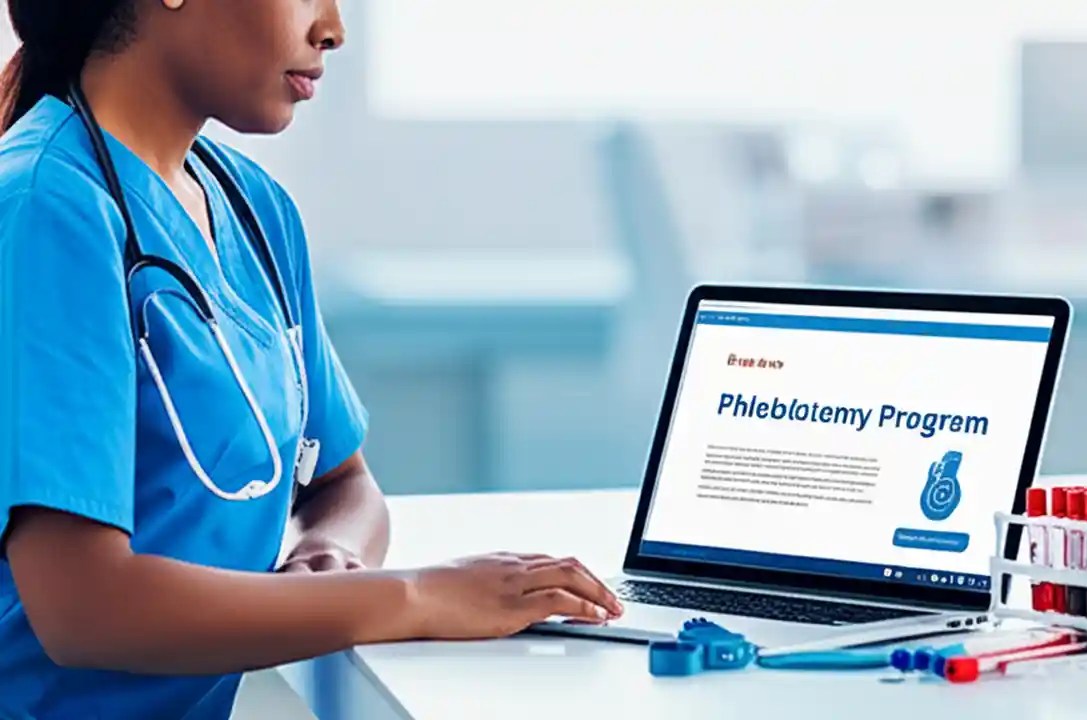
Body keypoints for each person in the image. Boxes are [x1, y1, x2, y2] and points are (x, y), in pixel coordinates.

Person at [0, 1, 623, 718]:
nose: (333, 27)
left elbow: (346, 484)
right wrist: (418, 595)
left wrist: (330, 559)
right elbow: (84, 609)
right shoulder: (45, 210)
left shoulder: (256, 210)